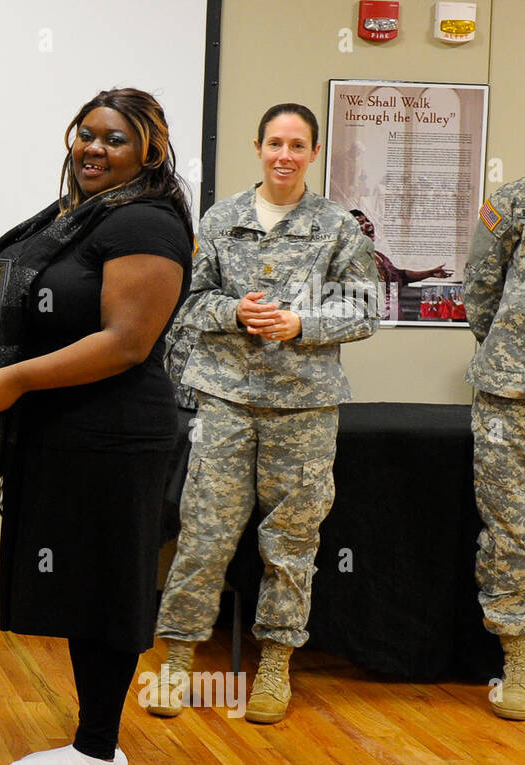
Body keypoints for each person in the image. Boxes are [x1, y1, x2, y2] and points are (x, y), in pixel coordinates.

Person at [0, 88, 193, 765]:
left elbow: (124, 342)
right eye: (86, 133)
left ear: (148, 149)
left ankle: (93, 755)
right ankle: (96, 744)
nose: (93, 148)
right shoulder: (78, 215)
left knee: (106, 588)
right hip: (66, 430)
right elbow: (49, 295)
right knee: (86, 584)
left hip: (114, 434)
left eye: (115, 139)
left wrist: (15, 380)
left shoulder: (146, 222)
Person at [149, 103, 378, 724]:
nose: (285, 155)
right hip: (224, 402)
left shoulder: (338, 227)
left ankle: (274, 663)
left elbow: (365, 312)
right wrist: (234, 314)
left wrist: (303, 324)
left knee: (293, 543)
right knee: (203, 534)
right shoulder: (220, 220)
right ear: (258, 147)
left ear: (313, 152)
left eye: (297, 145)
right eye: (275, 142)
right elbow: (186, 304)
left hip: (304, 409)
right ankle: (176, 660)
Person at [464, 168, 525, 720]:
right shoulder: (516, 200)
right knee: (508, 530)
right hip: (514, 394)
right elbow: (480, 291)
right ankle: (516, 655)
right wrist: (518, 355)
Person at [349, 209, 452, 323]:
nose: (368, 225)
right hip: (375, 323)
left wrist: (430, 273)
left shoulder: (379, 256)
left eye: (367, 220)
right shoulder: (350, 259)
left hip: (394, 320)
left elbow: (400, 276)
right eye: (361, 223)